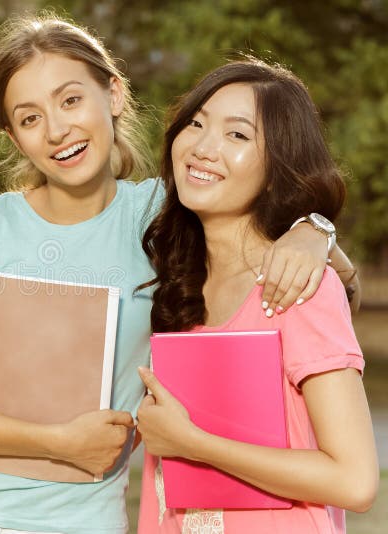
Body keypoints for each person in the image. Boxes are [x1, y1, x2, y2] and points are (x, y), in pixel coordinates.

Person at [0, 15, 354, 534]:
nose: (56, 130)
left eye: (70, 100)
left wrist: (314, 228)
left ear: (113, 94)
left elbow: (299, 259)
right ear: (12, 136)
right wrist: (57, 442)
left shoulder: (165, 215)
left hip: (85, 521)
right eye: (29, 118)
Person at [135, 59, 378, 533]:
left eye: (238, 136)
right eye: (197, 123)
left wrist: (192, 443)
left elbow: (355, 481)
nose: (204, 147)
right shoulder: (178, 283)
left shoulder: (297, 286)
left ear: (276, 170)